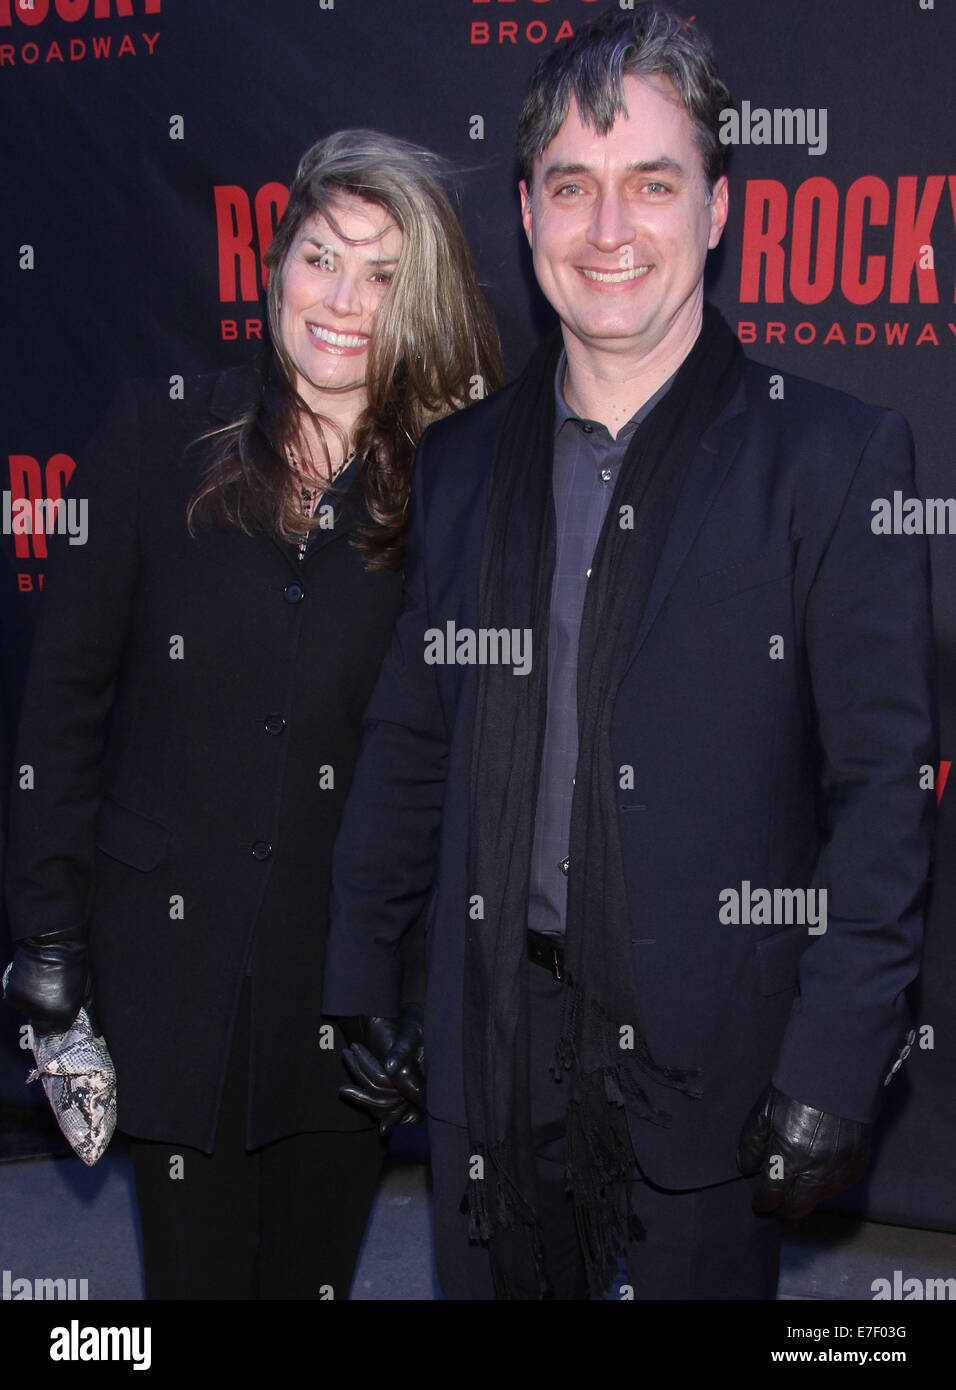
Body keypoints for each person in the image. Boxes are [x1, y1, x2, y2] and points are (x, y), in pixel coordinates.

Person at [322, 7, 937, 1300]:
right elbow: (412, 737)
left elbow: (883, 793)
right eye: (574, 189)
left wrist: (835, 1057)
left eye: (653, 184)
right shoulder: (463, 464)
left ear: (718, 211)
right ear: (529, 215)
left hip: (714, 1057)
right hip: (492, 1041)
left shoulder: (829, 459)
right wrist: (362, 960)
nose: (612, 233)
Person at [2, 128, 502, 1300]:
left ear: (419, 299)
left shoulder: (452, 489)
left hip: (343, 993)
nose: (340, 300)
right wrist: (50, 939)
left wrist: (425, 985)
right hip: (166, 977)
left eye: (382, 276)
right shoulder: (153, 432)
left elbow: (457, 762)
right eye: (321, 256)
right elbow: (61, 708)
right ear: (273, 263)